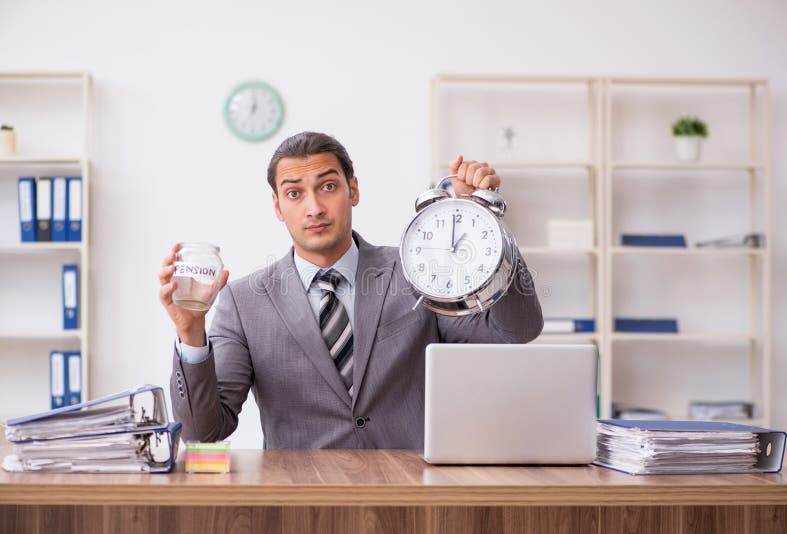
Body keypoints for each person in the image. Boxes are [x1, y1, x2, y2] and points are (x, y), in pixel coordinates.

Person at [159, 131, 543, 449]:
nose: (314, 208)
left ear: (353, 190)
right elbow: (204, 433)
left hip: (411, 494)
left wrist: (482, 219)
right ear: (277, 206)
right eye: (294, 194)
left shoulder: (416, 273)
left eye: (328, 187)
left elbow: (515, 331)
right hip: (301, 502)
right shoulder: (244, 302)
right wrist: (190, 333)